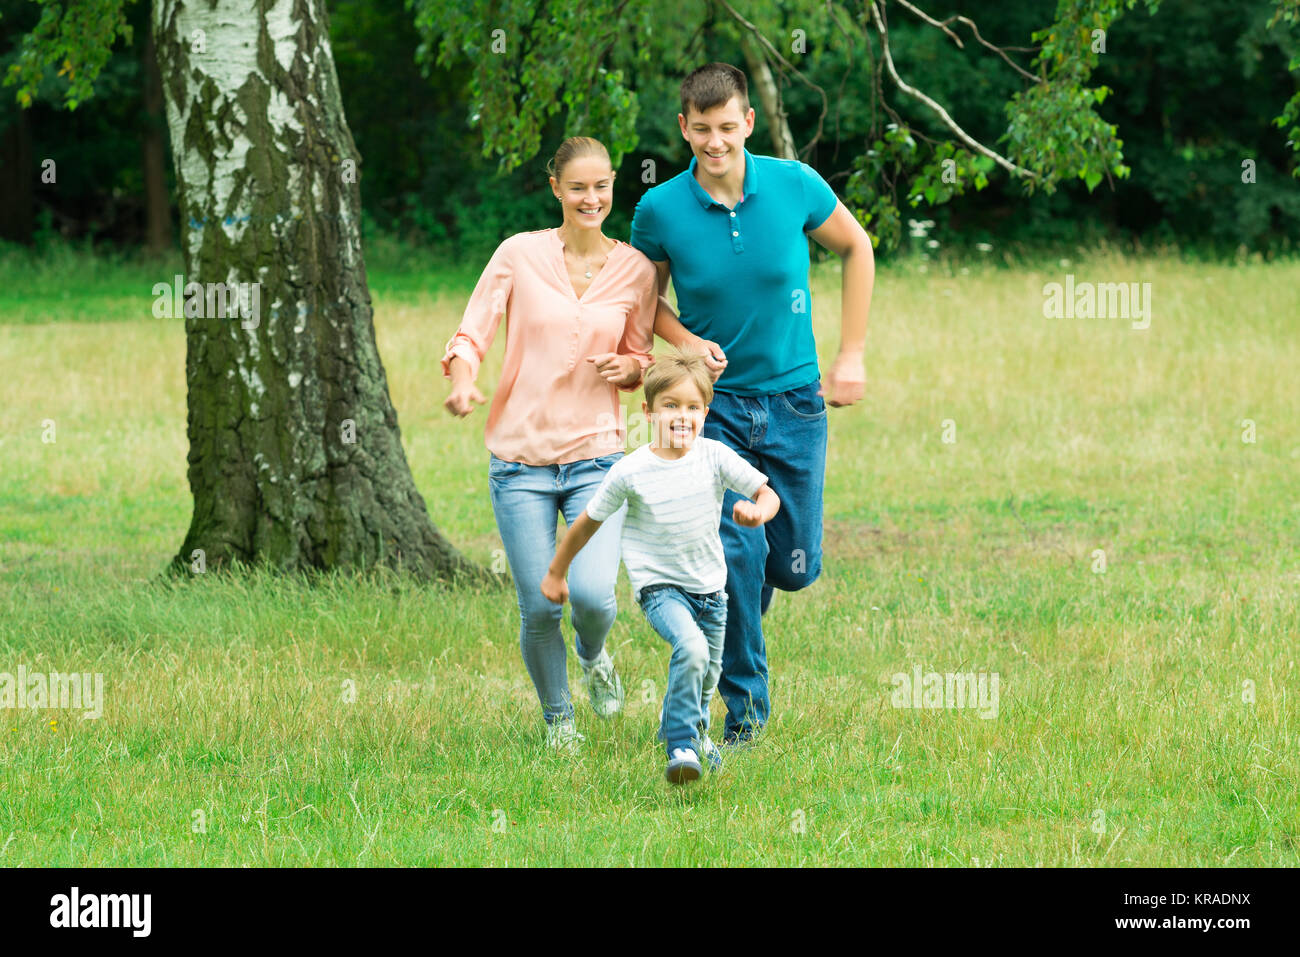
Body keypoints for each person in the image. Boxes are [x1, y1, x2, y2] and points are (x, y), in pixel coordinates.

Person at [631, 63, 874, 747]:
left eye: (726, 127)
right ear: (685, 127)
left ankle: (728, 620)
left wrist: (850, 354)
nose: (715, 142)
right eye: (701, 129)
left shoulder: (795, 185)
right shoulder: (661, 209)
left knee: (792, 566)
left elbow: (857, 247)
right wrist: (686, 340)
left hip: (797, 402)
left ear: (748, 121)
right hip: (719, 409)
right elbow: (644, 300)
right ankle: (743, 711)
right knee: (733, 552)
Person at [442, 136, 657, 752]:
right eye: (578, 187)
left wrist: (632, 369)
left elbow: (640, 351)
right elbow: (471, 332)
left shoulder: (635, 269)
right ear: (556, 189)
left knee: (591, 597)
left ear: (613, 186)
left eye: (602, 186)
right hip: (520, 463)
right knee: (539, 607)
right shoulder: (518, 254)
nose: (591, 198)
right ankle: (559, 721)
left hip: (596, 458)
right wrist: (463, 383)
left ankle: (594, 656)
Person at [540, 351, 780, 783]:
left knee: (707, 675)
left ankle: (696, 729)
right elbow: (585, 525)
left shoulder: (714, 456)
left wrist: (758, 512)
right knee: (690, 649)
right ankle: (681, 746)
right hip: (660, 589)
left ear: (706, 413)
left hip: (711, 589)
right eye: (671, 406)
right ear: (649, 412)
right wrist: (557, 572)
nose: (682, 416)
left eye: (692, 407)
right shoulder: (630, 471)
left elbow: (769, 494)